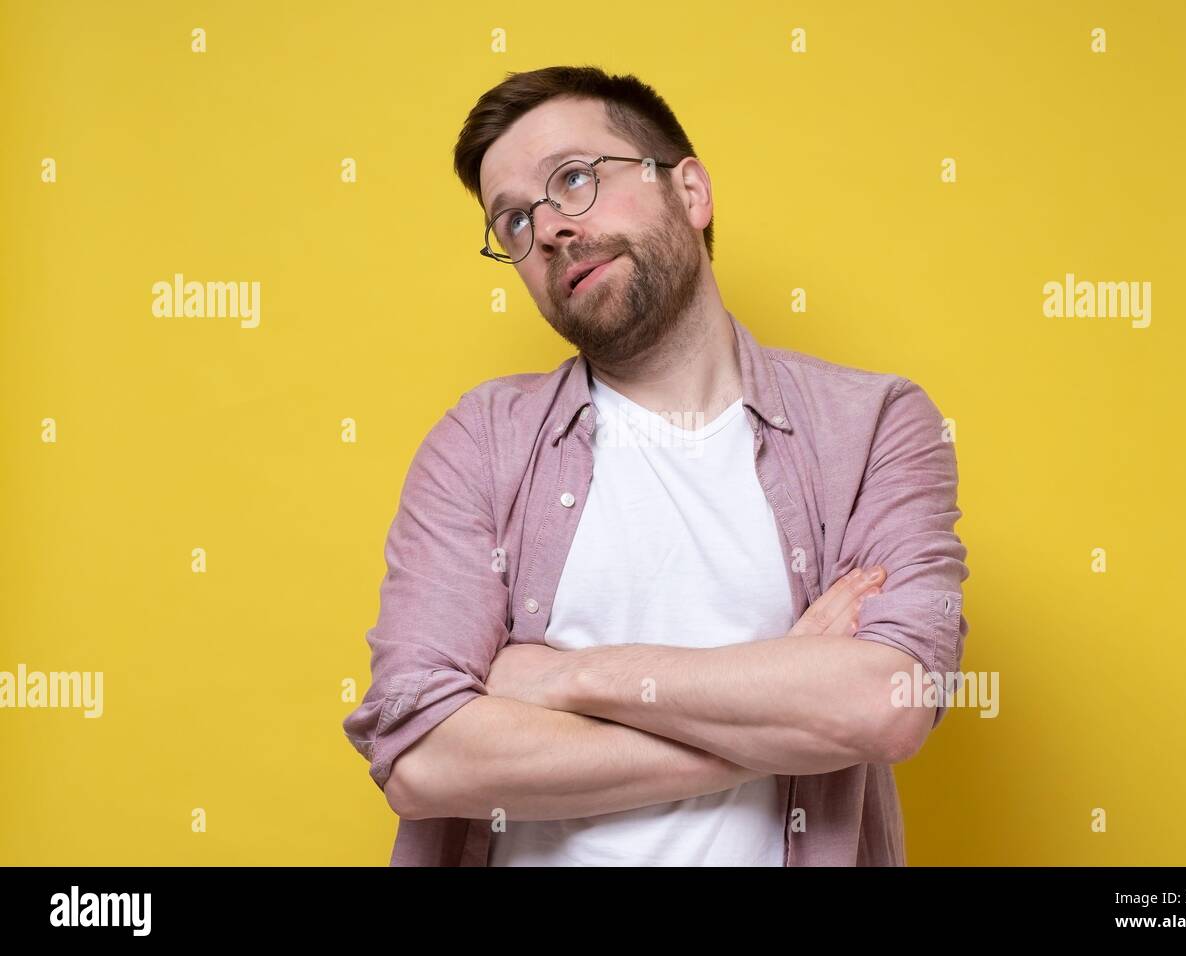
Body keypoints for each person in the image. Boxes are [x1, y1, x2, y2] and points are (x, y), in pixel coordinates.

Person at [342, 65, 970, 866]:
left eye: (573, 179)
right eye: (515, 223)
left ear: (691, 192)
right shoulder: (481, 441)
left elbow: (890, 700)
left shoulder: (872, 426)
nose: (552, 230)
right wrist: (784, 720)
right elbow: (425, 759)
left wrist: (563, 678)